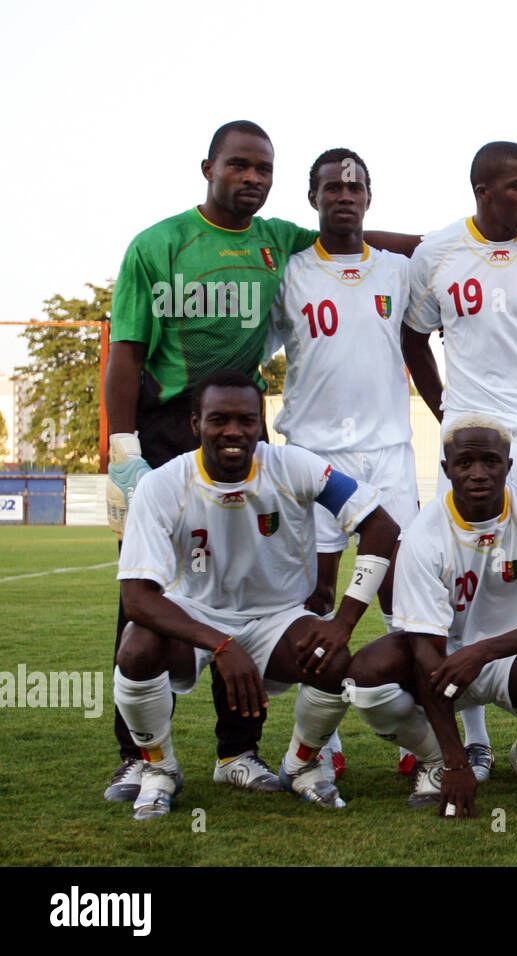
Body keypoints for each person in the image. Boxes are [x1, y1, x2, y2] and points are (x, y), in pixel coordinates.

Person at [103, 121, 319, 802]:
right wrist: (121, 447)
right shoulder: (157, 244)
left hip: (238, 427)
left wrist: (450, 244)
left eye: (264, 169)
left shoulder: (277, 239)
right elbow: (125, 354)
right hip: (167, 428)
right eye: (239, 166)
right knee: (143, 589)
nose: (252, 178)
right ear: (208, 168)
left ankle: (238, 751)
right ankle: (140, 756)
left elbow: (357, 237)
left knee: (245, 579)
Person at [113, 369, 399, 819]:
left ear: (260, 423)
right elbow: (136, 598)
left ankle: (300, 766)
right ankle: (159, 770)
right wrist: (222, 644)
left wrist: (343, 622)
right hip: (195, 611)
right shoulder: (162, 484)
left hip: (276, 616)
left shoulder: (293, 466)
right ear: (195, 424)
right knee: (136, 647)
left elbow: (380, 525)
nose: (234, 431)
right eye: (219, 420)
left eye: (246, 420)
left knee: (332, 657)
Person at [403, 141, 517, 783]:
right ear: (483, 192)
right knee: (464, 579)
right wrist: (445, 410)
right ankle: (473, 740)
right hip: (470, 436)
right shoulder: (437, 253)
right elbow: (413, 337)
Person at [264, 147, 420, 781]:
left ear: (369, 197)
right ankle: (319, 741)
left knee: (405, 594)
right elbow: (257, 348)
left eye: (355, 187)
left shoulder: (398, 271)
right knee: (316, 596)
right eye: (333, 187)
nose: (345, 196)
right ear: (313, 198)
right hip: (312, 454)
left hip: (389, 453)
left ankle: (415, 731)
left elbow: (446, 249)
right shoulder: (290, 274)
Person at [345, 416, 517, 812]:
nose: (478, 473)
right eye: (465, 462)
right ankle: (433, 761)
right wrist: (455, 762)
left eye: (490, 461)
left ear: (508, 465)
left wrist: (482, 651)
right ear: (447, 469)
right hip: (446, 662)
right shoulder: (422, 534)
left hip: (514, 661)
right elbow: (425, 652)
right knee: (367, 674)